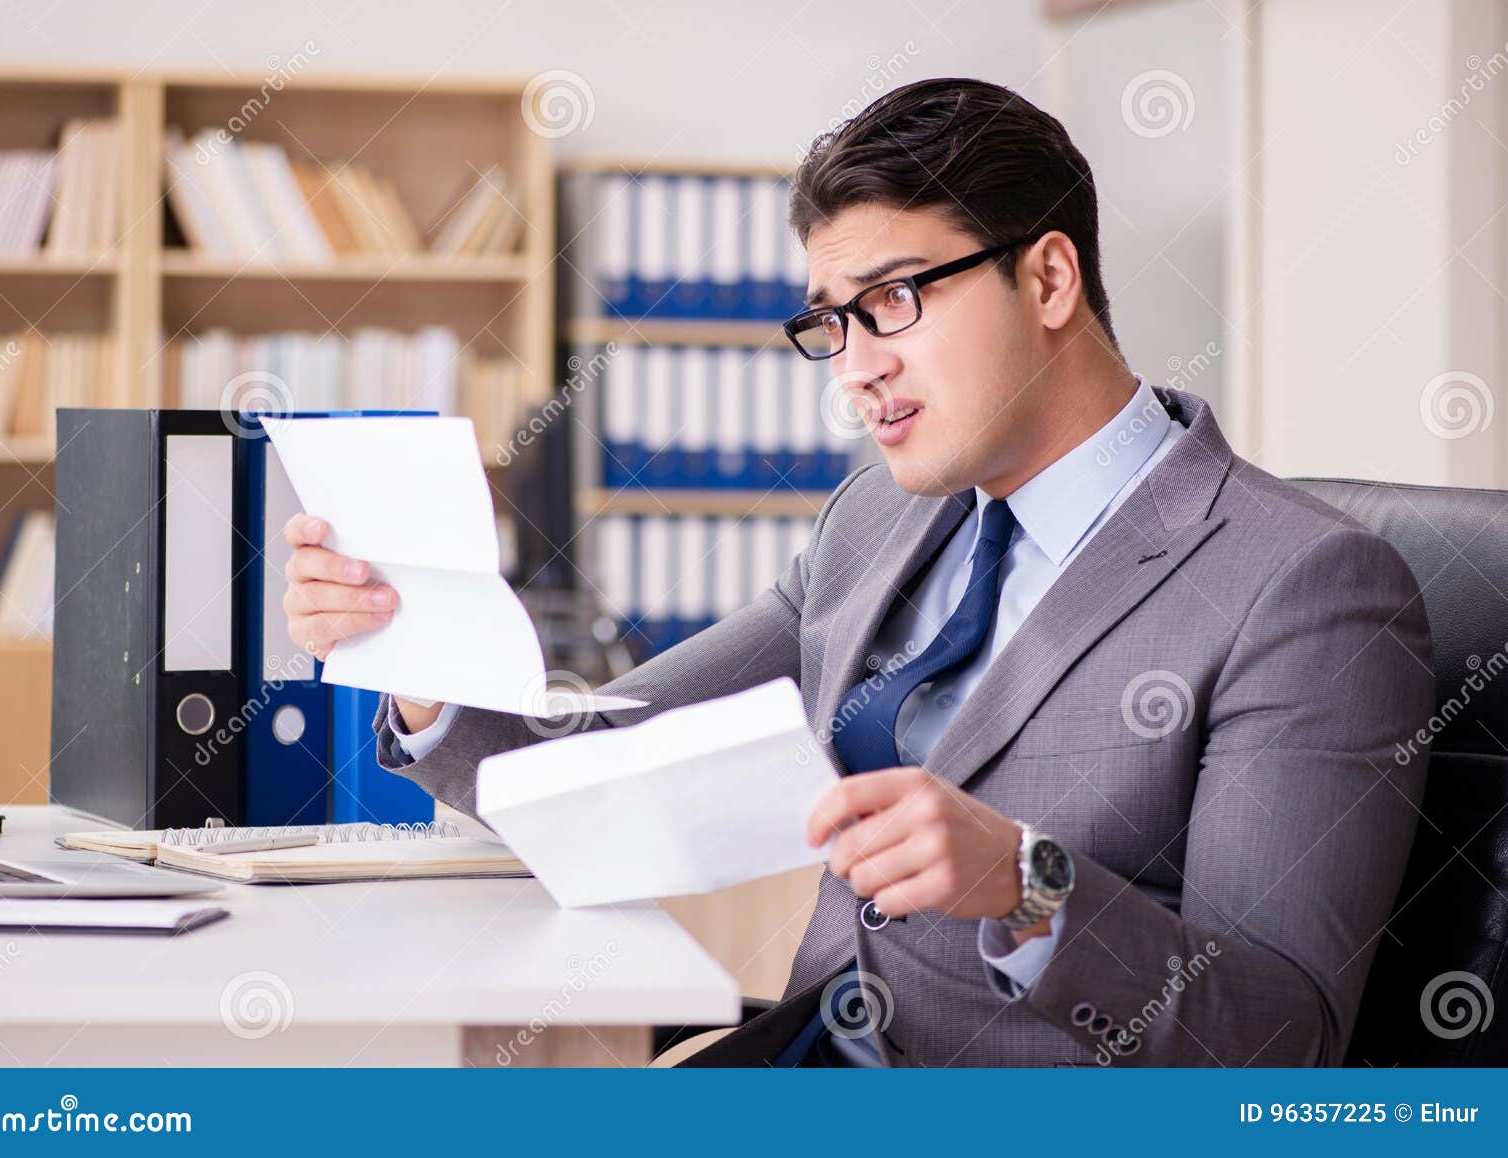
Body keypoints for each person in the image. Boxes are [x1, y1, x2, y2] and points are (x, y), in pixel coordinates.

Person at [281, 78, 1434, 1066]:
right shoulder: (877, 520)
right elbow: (598, 763)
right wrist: (420, 658)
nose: (855, 369)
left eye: (893, 301)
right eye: (832, 321)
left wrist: (1025, 883)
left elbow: (1280, 1041)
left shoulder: (1307, 588)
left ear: (1047, 280)